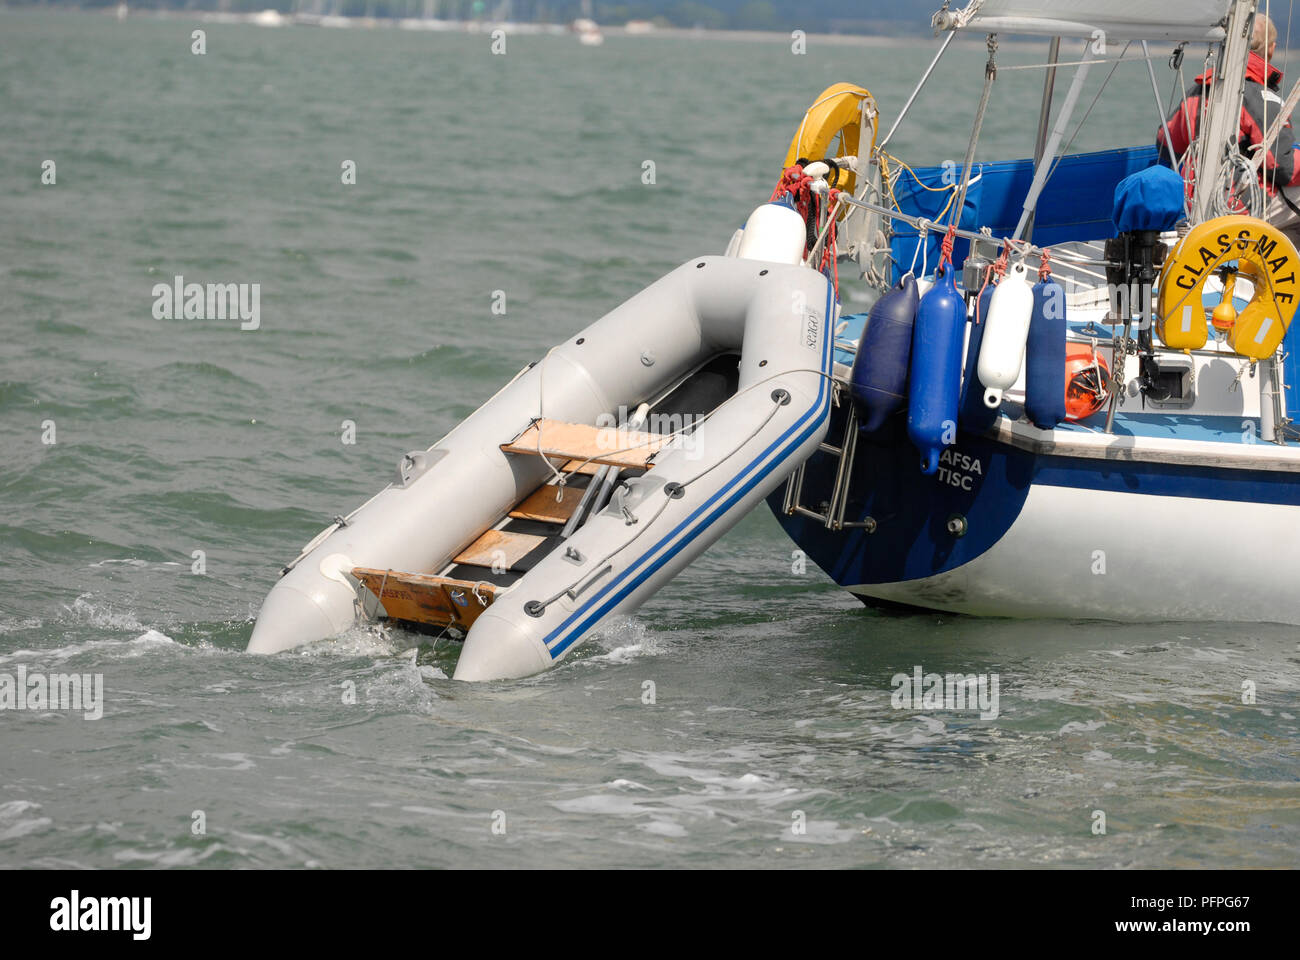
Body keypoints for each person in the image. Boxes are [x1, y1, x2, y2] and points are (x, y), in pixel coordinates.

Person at [1157, 14, 1300, 238]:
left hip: (1195, 207)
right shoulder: (1261, 98)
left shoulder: (1199, 91)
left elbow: (1165, 144)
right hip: (1240, 208)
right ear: (1271, 50)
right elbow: (1282, 168)